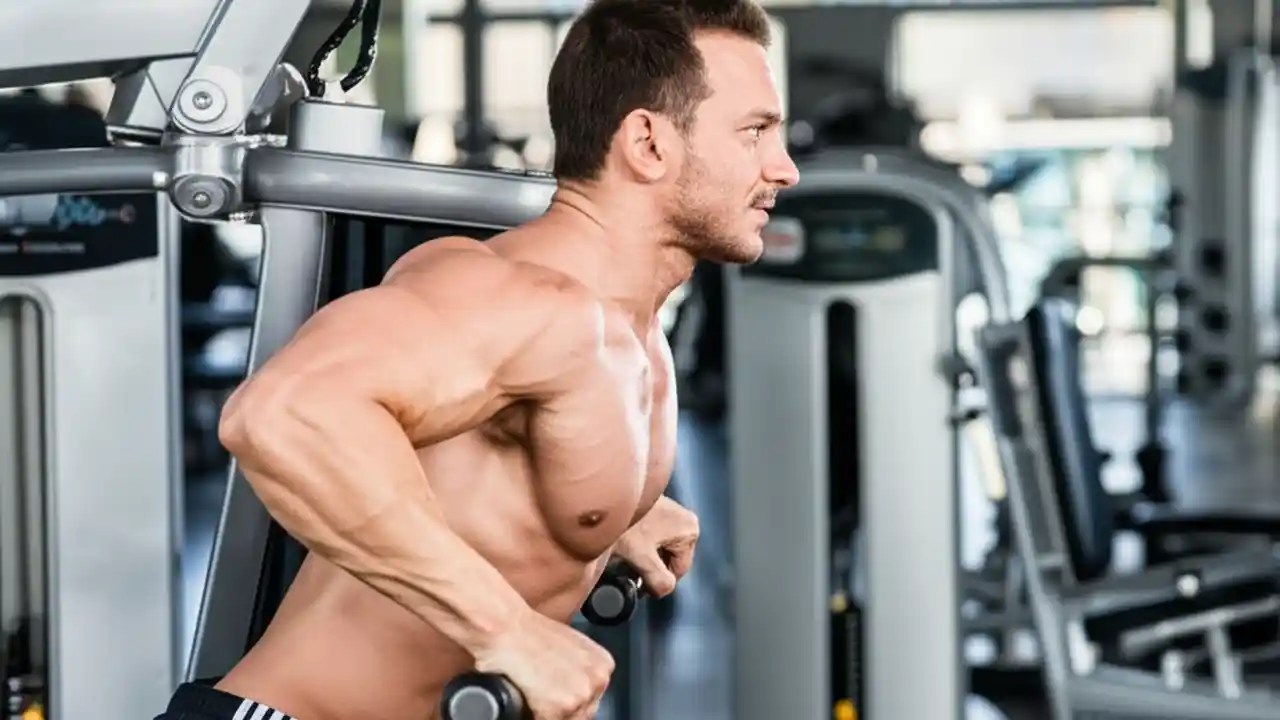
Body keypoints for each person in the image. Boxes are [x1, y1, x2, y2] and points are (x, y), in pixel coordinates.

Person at [157, 0, 799, 718]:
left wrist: (609, 510)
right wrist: (509, 629)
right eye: (754, 133)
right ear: (647, 144)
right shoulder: (524, 299)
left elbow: (474, 466)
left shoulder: (623, 324)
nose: (786, 169)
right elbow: (282, 415)